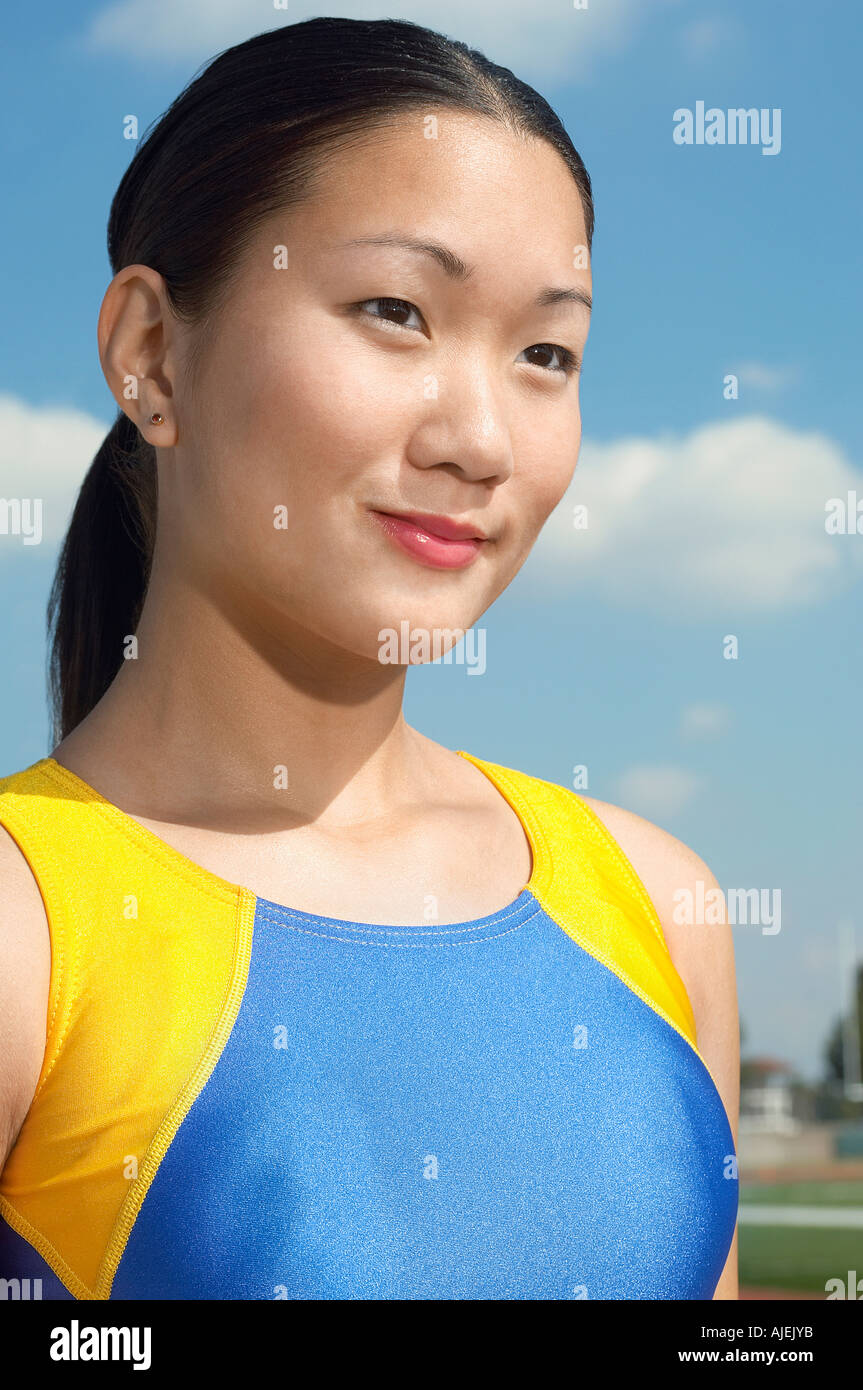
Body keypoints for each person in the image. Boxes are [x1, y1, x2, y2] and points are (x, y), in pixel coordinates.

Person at [0, 16, 738, 1300]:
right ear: (150, 353)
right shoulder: (25, 939)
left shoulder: (657, 903)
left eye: (543, 354)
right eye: (394, 311)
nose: (480, 439)